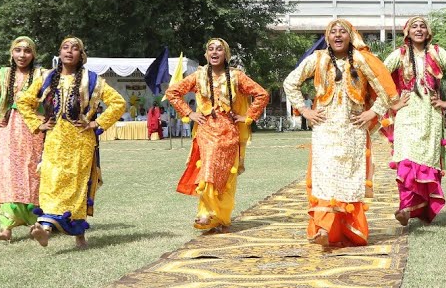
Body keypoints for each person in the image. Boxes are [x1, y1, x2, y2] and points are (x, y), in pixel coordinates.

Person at [283, 19, 398, 247]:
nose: (337, 35)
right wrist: (305, 110)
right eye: (333, 32)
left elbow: (387, 90)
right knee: (325, 178)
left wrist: (372, 112)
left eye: (342, 32)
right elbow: (290, 82)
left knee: (349, 180)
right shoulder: (317, 59)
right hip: (324, 129)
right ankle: (324, 228)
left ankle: (348, 230)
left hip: (353, 130)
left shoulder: (362, 60)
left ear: (350, 36)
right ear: (327, 37)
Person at [16, 37, 126, 249]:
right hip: (55, 141)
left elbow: (118, 103)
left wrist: (96, 123)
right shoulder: (47, 78)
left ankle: (79, 236)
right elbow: (23, 101)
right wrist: (38, 123)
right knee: (52, 183)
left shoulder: (92, 80)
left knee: (76, 188)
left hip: (81, 142)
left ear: (81, 55)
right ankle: (45, 229)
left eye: (75, 48)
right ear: (59, 53)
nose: (69, 51)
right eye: (65, 48)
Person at [164, 38, 269, 233]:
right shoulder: (198, 75)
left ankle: (221, 217)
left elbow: (262, 94)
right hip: (207, 130)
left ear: (226, 54)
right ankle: (205, 212)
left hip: (230, 132)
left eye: (219, 50)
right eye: (210, 49)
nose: (214, 52)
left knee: (226, 176)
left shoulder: (236, 76)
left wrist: (247, 117)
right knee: (209, 170)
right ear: (205, 54)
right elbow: (173, 93)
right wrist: (190, 113)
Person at [382, 15, 446, 227]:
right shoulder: (400, 54)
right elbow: (379, 77)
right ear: (407, 32)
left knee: (425, 163)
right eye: (415, 26)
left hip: (430, 115)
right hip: (406, 113)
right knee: (405, 160)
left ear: (428, 31)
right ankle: (404, 208)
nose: (419, 29)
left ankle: (420, 209)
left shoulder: (438, 53)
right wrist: (392, 104)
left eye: (423, 26)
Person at [0, 36, 48, 242]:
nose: (22, 55)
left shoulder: (42, 75)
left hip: (34, 131)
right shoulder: (2, 75)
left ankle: (38, 222)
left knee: (34, 174)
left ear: (33, 54)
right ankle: (6, 228)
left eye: (27, 51)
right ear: (11, 53)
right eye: (18, 50)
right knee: (9, 175)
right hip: (8, 131)